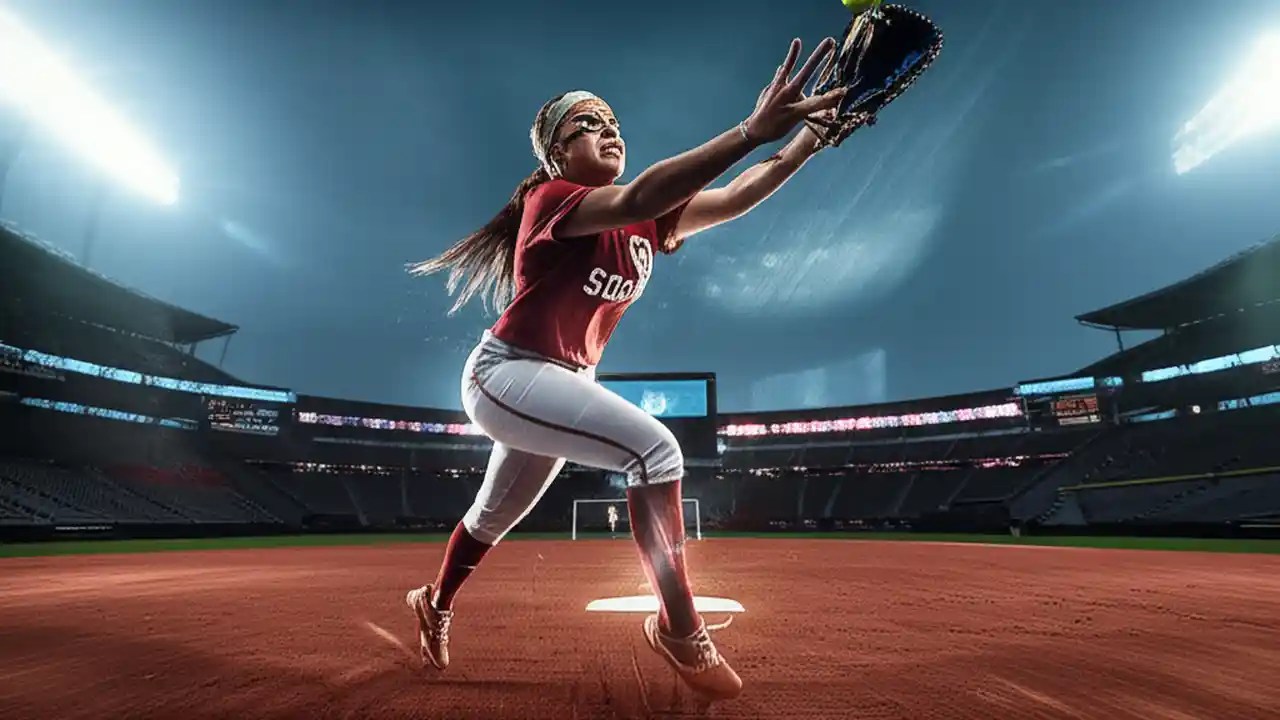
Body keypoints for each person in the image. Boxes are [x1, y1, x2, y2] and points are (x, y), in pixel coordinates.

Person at [404, 37, 845, 701]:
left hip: (560, 384)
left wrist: (807, 137)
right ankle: (679, 628)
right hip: (505, 375)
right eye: (588, 122)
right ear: (555, 152)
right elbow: (641, 195)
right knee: (655, 450)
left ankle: (433, 602)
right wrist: (751, 128)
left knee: (491, 517)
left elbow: (737, 195)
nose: (607, 128)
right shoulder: (553, 197)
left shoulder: (644, 219)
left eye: (614, 122)